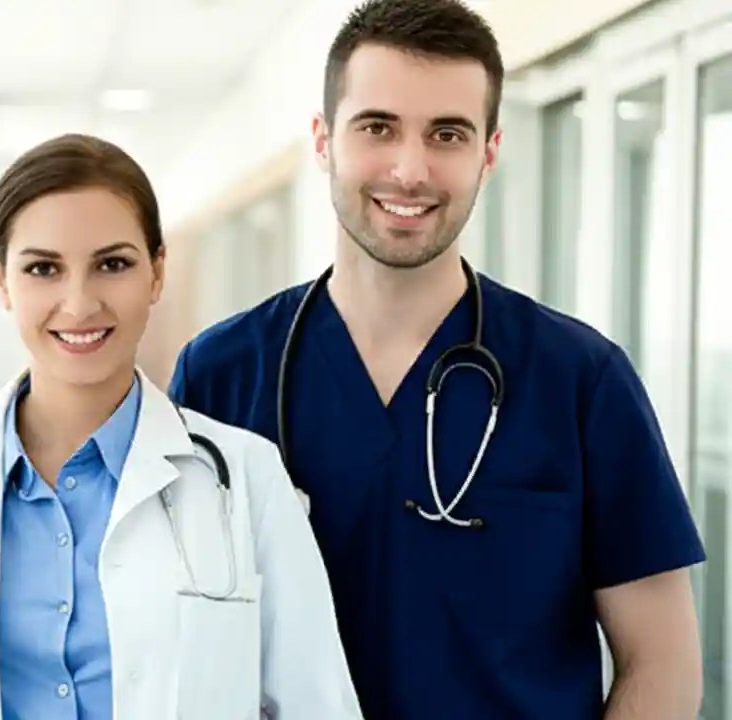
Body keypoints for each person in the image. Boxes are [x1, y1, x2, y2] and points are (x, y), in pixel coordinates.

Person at [167, 1, 706, 718]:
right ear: (324, 141)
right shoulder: (221, 372)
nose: (410, 168)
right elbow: (173, 633)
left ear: (488, 151)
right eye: (378, 127)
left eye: (447, 133)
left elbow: (663, 663)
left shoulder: (580, 379)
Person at [0, 133, 360, 719]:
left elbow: (318, 705)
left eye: (112, 264)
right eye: (43, 268)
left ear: (157, 272)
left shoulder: (246, 478)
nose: (79, 303)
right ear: (2, 280)